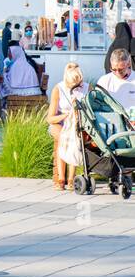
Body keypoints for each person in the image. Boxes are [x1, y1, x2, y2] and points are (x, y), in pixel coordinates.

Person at [48, 62, 88, 190]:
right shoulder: (58, 89)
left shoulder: (87, 88)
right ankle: (61, 178)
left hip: (78, 124)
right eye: (72, 84)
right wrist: (66, 116)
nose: (75, 87)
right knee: (64, 136)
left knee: (74, 136)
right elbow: (50, 118)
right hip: (60, 122)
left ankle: (71, 178)